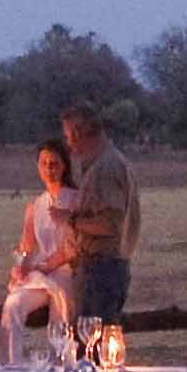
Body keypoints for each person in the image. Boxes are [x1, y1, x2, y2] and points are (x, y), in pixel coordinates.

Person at [57, 103, 141, 327]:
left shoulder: (105, 168)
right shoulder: (110, 162)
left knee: (90, 349)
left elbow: (110, 224)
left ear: (77, 133)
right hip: (104, 270)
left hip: (100, 270)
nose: (67, 142)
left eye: (67, 136)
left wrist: (71, 220)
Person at [0, 136, 79, 351]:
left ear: (64, 166)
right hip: (40, 274)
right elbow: (26, 245)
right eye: (44, 164)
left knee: (59, 315)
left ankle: (61, 368)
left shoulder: (76, 200)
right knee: (13, 304)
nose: (48, 169)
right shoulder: (36, 206)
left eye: (54, 164)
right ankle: (11, 367)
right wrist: (20, 265)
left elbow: (75, 245)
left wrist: (47, 266)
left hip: (67, 273)